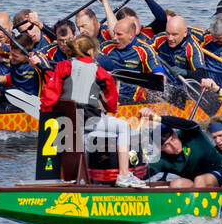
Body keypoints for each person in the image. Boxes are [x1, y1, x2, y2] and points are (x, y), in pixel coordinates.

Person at [40, 34, 146, 187]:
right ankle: (123, 175)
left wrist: (46, 118)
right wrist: (110, 106)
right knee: (123, 127)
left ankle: (65, 178)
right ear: (90, 51)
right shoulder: (100, 72)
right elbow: (111, 104)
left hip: (62, 122)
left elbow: (49, 96)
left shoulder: (62, 66)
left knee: (79, 133)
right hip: (88, 121)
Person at [138, 110, 222, 188]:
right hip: (200, 184)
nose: (174, 146)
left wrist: (156, 117)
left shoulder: (190, 133)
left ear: (175, 132)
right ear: (160, 149)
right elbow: (143, 174)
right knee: (176, 184)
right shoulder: (162, 159)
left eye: (173, 139)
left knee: (200, 181)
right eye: (166, 145)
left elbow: (188, 124)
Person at [97, 18, 164, 104]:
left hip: (134, 100)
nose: (114, 38)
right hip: (110, 96)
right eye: (114, 33)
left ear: (131, 35)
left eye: (119, 35)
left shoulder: (144, 50)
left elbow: (160, 77)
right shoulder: (105, 47)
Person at [151, 14, 208, 84]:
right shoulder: (159, 38)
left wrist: (185, 72)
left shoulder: (192, 47)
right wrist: (157, 70)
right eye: (168, 33)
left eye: (174, 35)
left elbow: (202, 73)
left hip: (182, 85)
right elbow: (143, 49)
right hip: (163, 79)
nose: (170, 38)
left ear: (185, 33)